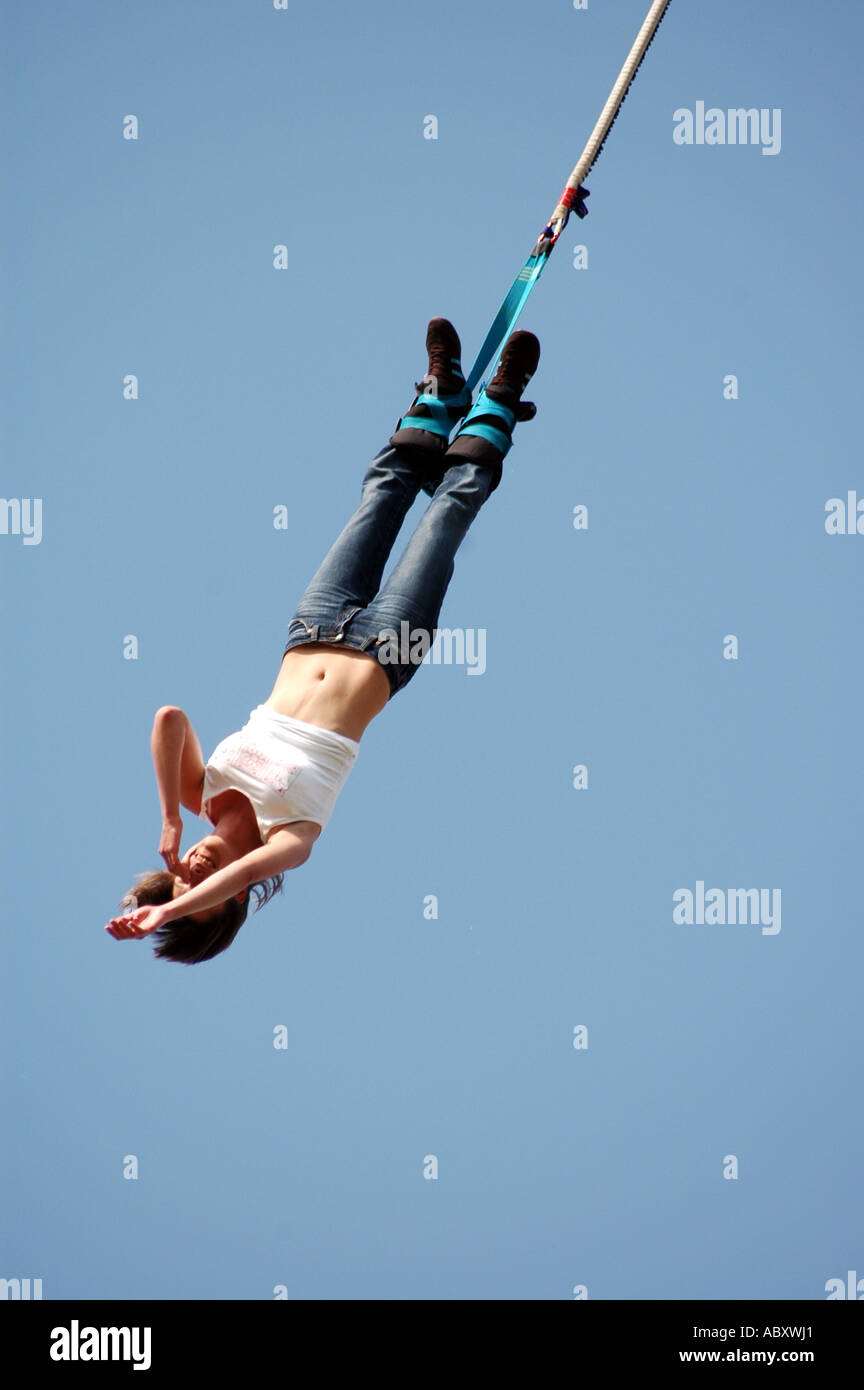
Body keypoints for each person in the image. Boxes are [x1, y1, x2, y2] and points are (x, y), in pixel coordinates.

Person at [105, 319, 540, 963]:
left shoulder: (204, 792)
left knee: (382, 493)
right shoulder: (291, 839)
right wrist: (171, 908)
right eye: (202, 887)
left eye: (179, 876)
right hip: (386, 650)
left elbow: (169, 718)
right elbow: (245, 871)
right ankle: (501, 398)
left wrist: (170, 815)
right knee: (449, 509)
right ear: (234, 899)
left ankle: (441, 393)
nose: (191, 869)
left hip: (314, 626)